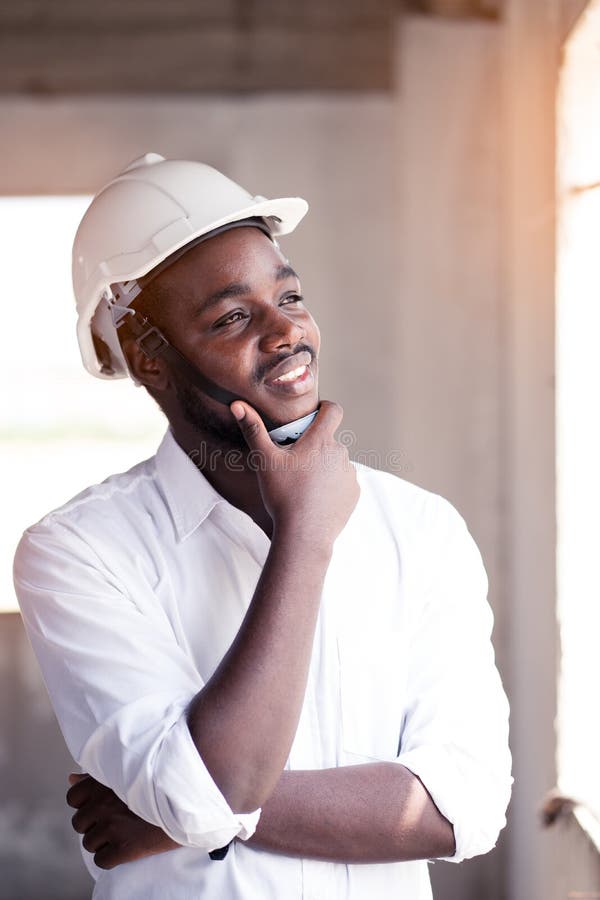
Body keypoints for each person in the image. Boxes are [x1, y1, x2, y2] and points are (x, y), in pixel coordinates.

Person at [14, 153, 512, 900]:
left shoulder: (420, 529)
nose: (287, 332)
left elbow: (464, 807)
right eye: (232, 317)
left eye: (291, 297)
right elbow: (206, 793)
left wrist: (186, 813)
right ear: (150, 358)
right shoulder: (78, 552)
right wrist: (305, 535)